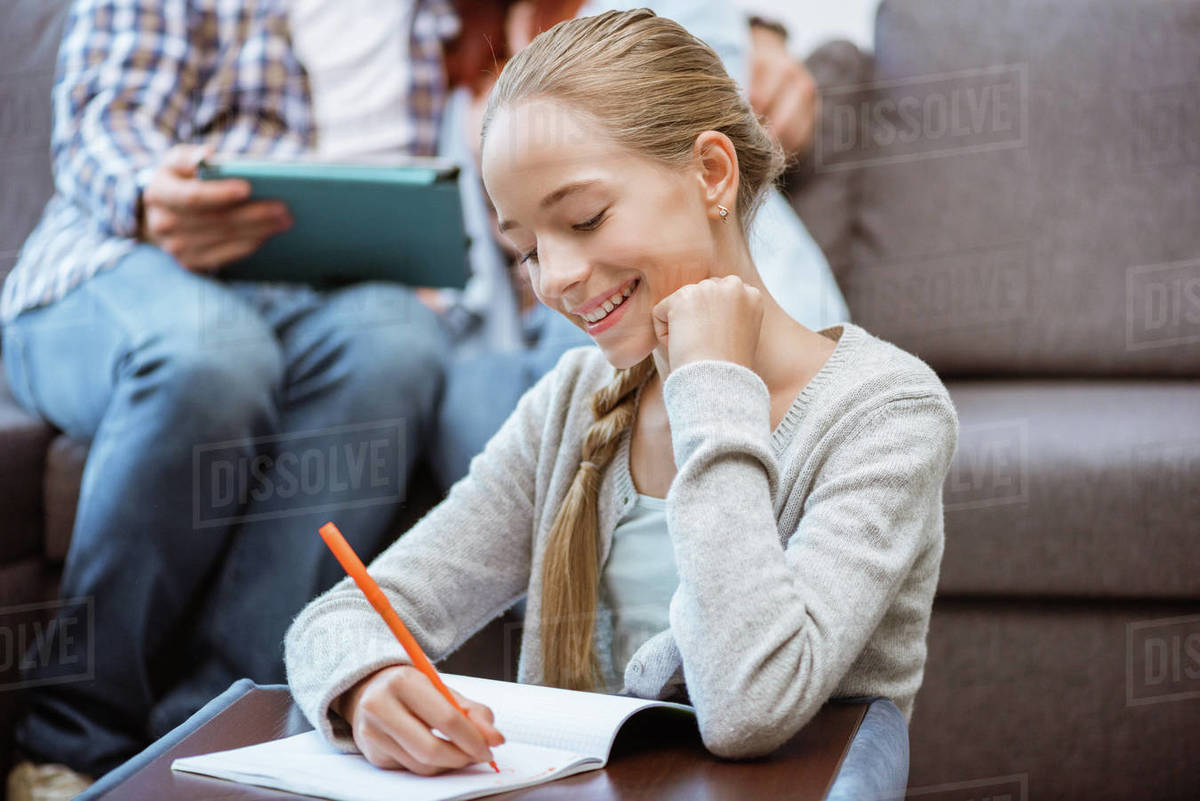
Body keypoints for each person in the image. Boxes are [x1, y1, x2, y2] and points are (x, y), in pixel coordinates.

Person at [283, 8, 958, 773]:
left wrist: (711, 385)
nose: (557, 277)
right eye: (528, 249)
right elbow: (337, 618)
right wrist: (367, 684)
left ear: (712, 173)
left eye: (585, 217)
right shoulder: (571, 401)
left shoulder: (886, 413)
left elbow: (748, 706)